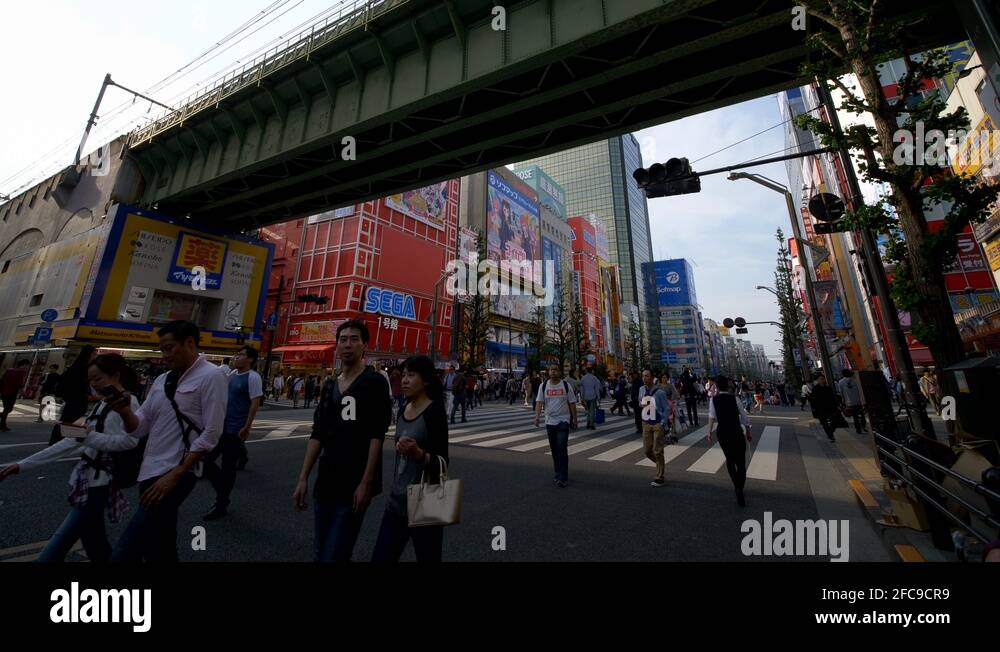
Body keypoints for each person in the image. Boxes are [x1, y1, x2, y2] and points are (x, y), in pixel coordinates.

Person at [105, 321, 228, 562]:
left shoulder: (212, 376)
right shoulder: (163, 380)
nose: (164, 355)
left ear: (190, 343)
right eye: (162, 349)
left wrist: (177, 474)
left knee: (126, 548)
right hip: (149, 469)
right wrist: (124, 412)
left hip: (177, 471)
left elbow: (212, 433)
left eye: (169, 348)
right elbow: (140, 427)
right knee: (159, 545)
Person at [0, 354, 142, 561]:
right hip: (89, 480)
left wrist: (87, 436)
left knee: (57, 546)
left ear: (116, 376)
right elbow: (73, 442)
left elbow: (128, 442)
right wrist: (22, 465)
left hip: (99, 484)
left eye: (99, 379)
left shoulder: (128, 403)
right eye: (91, 380)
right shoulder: (104, 403)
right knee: (96, 543)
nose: (94, 385)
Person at [293, 319, 391, 562]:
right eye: (343, 340)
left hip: (355, 479)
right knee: (320, 548)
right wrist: (303, 477)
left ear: (364, 345)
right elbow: (318, 433)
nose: (348, 345)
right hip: (326, 478)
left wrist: (366, 482)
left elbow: (376, 435)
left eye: (354, 339)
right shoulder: (329, 386)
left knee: (337, 552)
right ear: (337, 346)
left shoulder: (375, 382)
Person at [372, 355, 449, 562]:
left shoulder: (434, 413)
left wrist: (419, 454)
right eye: (404, 374)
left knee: (428, 558)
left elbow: (443, 462)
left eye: (411, 375)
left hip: (426, 500)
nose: (404, 380)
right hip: (396, 499)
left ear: (425, 381)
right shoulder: (402, 411)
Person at [202, 345, 262, 520]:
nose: (237, 357)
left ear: (250, 359)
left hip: (236, 429)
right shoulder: (232, 375)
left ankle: (221, 502)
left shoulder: (253, 377)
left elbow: (255, 402)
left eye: (241, 355)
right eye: (237, 354)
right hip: (221, 426)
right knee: (205, 460)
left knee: (228, 467)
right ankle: (223, 492)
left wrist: (247, 426)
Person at [707, 375, 752, 507]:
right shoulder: (735, 398)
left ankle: (736, 486)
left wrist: (709, 432)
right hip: (736, 431)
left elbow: (711, 416)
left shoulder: (713, 400)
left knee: (730, 459)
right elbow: (744, 416)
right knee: (741, 462)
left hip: (722, 432)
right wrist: (748, 430)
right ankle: (739, 487)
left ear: (716, 386)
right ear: (728, 385)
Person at [534, 364, 577, 488]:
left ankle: (563, 477)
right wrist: (537, 417)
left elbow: (572, 403)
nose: (553, 372)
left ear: (560, 372)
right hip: (549, 421)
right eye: (551, 370)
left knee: (562, 447)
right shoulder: (544, 386)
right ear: (548, 372)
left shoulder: (565, 385)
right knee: (554, 449)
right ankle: (557, 472)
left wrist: (574, 419)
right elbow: (539, 402)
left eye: (556, 370)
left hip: (563, 420)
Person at [639, 370, 670, 487]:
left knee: (658, 450)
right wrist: (641, 404)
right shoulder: (641, 390)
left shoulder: (660, 392)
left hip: (657, 423)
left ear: (652, 378)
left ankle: (659, 477)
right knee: (647, 451)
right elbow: (639, 401)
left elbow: (666, 408)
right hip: (646, 422)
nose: (644, 378)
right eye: (643, 376)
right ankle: (660, 465)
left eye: (646, 376)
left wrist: (663, 422)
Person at [0, 360, 31, 432]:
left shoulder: (9, 370)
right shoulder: (21, 372)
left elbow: (2, 380)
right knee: (8, 409)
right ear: (23, 365)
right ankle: (2, 425)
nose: (27, 367)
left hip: (4, 392)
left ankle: (2, 425)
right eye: (27, 365)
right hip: (12, 393)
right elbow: (20, 384)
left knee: (6, 409)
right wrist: (23, 393)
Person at [808, 374, 840, 442]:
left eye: (823, 379)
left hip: (830, 407)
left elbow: (833, 397)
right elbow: (812, 399)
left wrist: (836, 405)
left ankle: (830, 432)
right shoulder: (815, 389)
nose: (822, 380)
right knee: (824, 423)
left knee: (834, 421)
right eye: (821, 379)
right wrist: (814, 408)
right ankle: (830, 435)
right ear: (818, 380)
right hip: (820, 409)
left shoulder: (828, 388)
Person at [836, 369, 867, 434]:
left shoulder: (841, 382)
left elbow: (841, 392)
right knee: (862, 414)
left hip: (849, 402)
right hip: (858, 401)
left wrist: (843, 401)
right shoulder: (855, 380)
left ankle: (858, 429)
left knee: (855, 416)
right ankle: (863, 426)